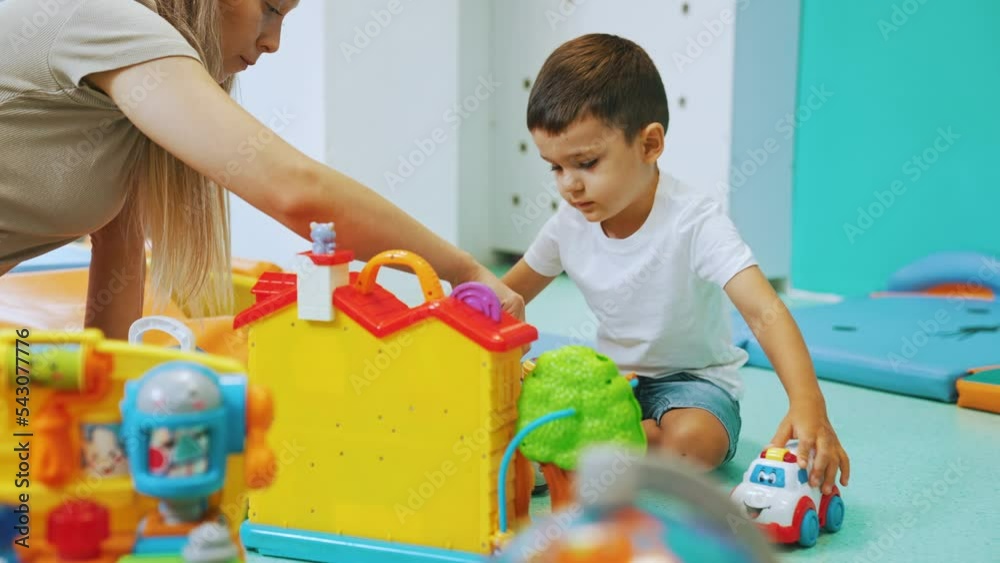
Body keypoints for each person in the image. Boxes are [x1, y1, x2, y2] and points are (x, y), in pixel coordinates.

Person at [0, 0, 524, 341]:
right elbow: (296, 192)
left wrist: (108, 412)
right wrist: (463, 270)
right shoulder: (107, 22)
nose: (273, 42)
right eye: (270, 9)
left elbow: (120, 251)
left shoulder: (125, 91)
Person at [502, 34, 849, 495]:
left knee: (695, 443)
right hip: (609, 382)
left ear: (649, 144)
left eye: (585, 162)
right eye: (555, 168)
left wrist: (808, 402)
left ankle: (586, 454)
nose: (569, 185)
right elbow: (506, 296)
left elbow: (763, 310)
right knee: (518, 410)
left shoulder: (695, 221)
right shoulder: (569, 224)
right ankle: (608, 450)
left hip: (692, 387)